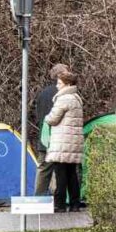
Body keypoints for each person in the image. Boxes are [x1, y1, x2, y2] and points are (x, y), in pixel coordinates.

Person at [44, 70, 84, 212]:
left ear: (67, 84)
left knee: (60, 174)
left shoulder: (63, 99)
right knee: (72, 174)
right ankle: (75, 204)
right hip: (73, 142)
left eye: (59, 83)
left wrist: (46, 118)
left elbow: (52, 119)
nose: (57, 86)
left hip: (62, 143)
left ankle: (59, 205)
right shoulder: (76, 98)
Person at [34, 63, 70, 195]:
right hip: (59, 139)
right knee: (60, 170)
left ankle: (38, 198)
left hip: (44, 138)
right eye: (67, 73)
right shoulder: (63, 94)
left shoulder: (42, 93)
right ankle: (57, 200)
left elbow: (38, 117)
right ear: (60, 75)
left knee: (43, 170)